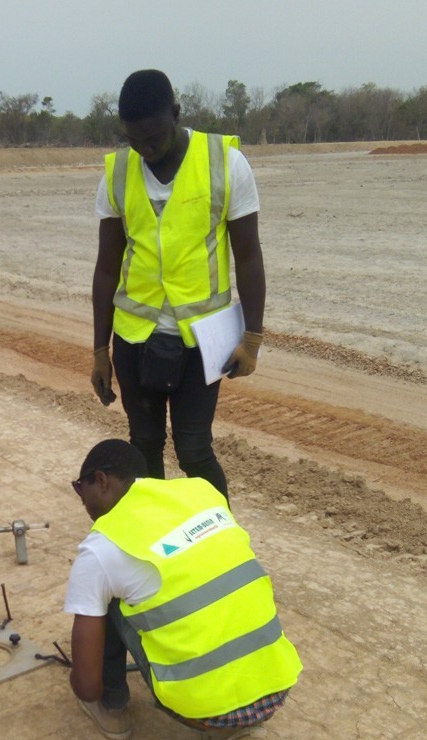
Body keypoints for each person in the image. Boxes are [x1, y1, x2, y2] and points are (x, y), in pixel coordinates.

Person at [64, 439, 302, 740]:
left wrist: (85, 688)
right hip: (276, 686)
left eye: (81, 489)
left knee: (107, 596)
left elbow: (86, 685)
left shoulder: (103, 546)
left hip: (200, 710)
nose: (83, 502)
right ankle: (233, 730)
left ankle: (114, 707)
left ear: (102, 481)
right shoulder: (201, 492)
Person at [91, 69, 266, 501]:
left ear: (176, 112)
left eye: (154, 137)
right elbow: (106, 268)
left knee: (194, 450)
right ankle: (158, 543)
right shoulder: (116, 174)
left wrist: (253, 337)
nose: (145, 150)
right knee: (144, 445)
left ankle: (219, 544)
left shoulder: (225, 162)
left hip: (203, 339)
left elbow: (248, 256)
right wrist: (100, 350)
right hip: (135, 337)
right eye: (134, 140)